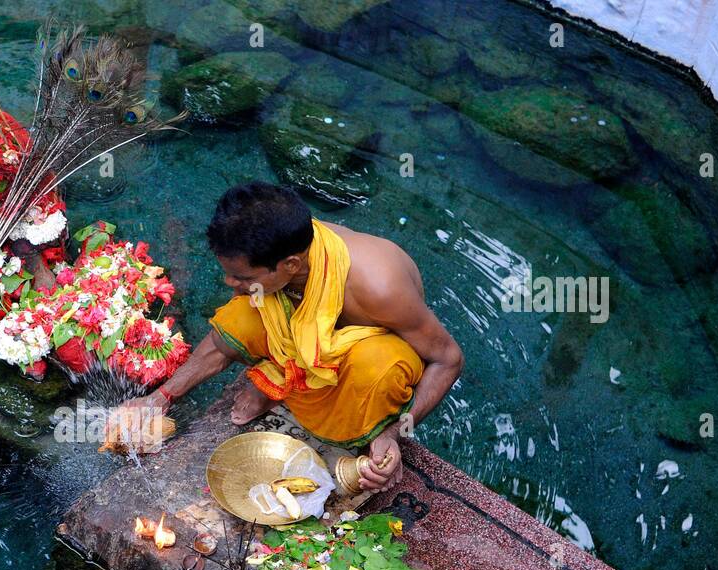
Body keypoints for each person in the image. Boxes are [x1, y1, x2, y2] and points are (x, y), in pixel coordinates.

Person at [112, 182, 463, 491]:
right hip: (302, 331)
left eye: (239, 276)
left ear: (291, 266)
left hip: (364, 348)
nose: (229, 283)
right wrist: (161, 397)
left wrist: (394, 432)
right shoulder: (277, 252)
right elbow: (230, 334)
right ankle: (281, 381)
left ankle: (303, 390)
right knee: (242, 315)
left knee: (378, 368)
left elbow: (448, 359)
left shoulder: (379, 287)